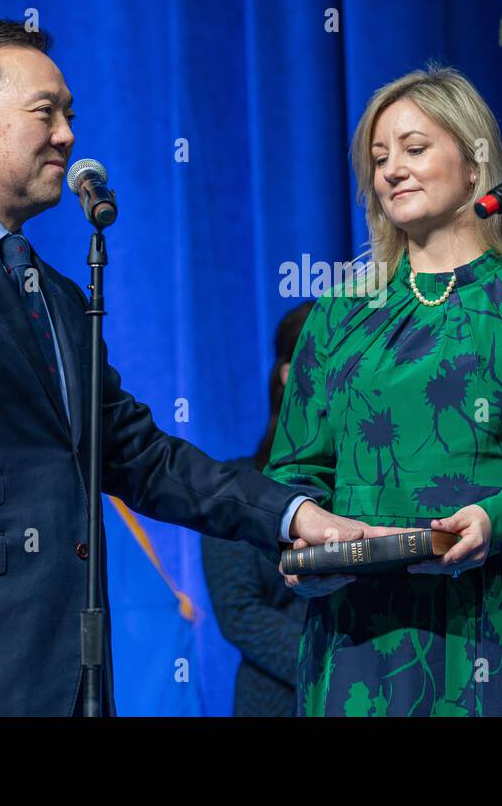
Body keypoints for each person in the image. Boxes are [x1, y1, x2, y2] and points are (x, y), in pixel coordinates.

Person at [0, 21, 369, 716]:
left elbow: (138, 455)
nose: (68, 135)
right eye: (45, 112)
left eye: (70, 114)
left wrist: (290, 513)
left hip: (74, 675)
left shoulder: (63, 298)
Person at [266, 66, 502, 716]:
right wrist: (305, 555)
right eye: (378, 158)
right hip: (363, 647)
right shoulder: (337, 315)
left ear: (474, 163)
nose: (391, 171)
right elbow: (295, 476)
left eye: (414, 148)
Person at [201, 301, 314, 716]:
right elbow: (241, 612)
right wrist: (329, 665)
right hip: (278, 700)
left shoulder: (372, 479)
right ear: (288, 375)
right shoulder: (241, 485)